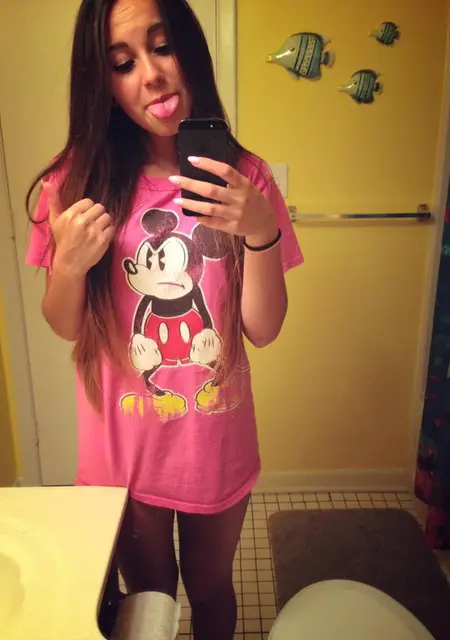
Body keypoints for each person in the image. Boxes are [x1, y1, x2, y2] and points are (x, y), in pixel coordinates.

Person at [25, 0, 303, 638]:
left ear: (191, 51)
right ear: (101, 80)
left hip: (215, 441)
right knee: (149, 602)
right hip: (122, 451)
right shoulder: (74, 183)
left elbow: (263, 329)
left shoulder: (246, 179)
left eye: (162, 47)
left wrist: (261, 230)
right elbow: (66, 324)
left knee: (211, 590)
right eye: (123, 63)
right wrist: (68, 266)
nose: (150, 75)